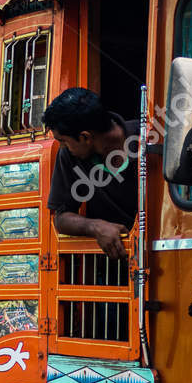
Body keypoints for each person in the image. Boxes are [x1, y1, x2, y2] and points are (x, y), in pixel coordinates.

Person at [42, 87, 137, 261]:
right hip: (114, 269)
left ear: (85, 137)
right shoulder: (69, 156)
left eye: (63, 141)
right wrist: (95, 226)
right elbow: (61, 217)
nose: (62, 147)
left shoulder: (148, 137)